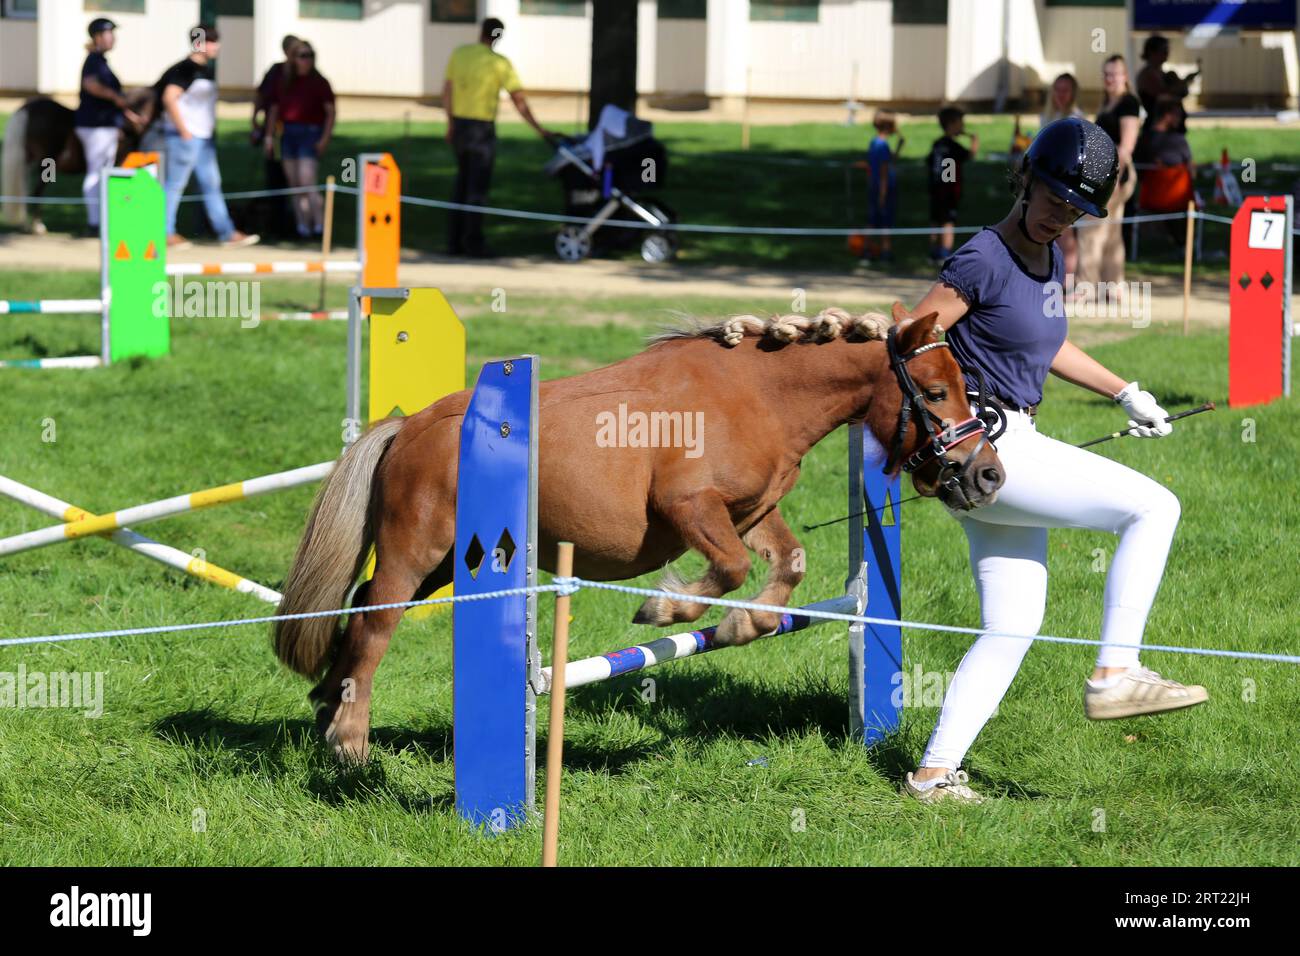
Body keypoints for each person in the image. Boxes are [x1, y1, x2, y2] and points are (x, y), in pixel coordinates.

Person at [896, 116, 1205, 804]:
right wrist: (942, 431)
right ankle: (1115, 673)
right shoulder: (981, 257)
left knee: (1013, 624)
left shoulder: (1052, 255)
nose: (1060, 217)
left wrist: (1126, 392)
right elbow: (910, 341)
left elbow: (1042, 346)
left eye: (1076, 211)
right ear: (1025, 177)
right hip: (987, 450)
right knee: (1156, 507)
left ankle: (933, 776)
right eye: (1053, 200)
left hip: (1004, 453)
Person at [443, 17, 553, 257]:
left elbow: (448, 90)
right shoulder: (500, 64)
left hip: (461, 127)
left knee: (462, 183)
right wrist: (538, 128)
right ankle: (473, 242)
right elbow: (519, 99)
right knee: (476, 187)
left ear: (480, 31)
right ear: (498, 37)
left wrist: (450, 124)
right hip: (481, 130)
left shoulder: (460, 54)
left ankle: (454, 242)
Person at [153, 24, 258, 249]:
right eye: (212, 41)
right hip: (186, 138)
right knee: (174, 185)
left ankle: (226, 232)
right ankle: (164, 232)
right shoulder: (184, 69)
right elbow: (169, 98)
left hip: (204, 140)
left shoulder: (206, 70)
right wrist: (184, 131)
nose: (217, 46)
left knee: (212, 184)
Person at [1076, 55, 1138, 306]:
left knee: (1091, 231)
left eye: (1115, 74)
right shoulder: (1107, 104)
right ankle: (1113, 287)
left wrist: (1109, 181)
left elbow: (1126, 148)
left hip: (1115, 177)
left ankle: (1086, 287)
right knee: (1111, 232)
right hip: (1105, 174)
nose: (1110, 79)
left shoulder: (1128, 104)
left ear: (1125, 76)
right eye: (1107, 74)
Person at [73, 18, 144, 237]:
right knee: (97, 173)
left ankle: (101, 220)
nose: (112, 37)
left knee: (103, 171)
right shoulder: (94, 60)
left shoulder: (101, 61)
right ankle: (94, 223)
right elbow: (91, 85)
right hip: (96, 126)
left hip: (105, 125)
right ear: (97, 37)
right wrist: (115, 97)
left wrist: (127, 114)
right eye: (108, 33)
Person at [264, 39, 335, 239]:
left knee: (307, 182)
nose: (307, 60)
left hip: (310, 133)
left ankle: (320, 226)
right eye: (303, 56)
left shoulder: (320, 82)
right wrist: (269, 137)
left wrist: (324, 139)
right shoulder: (285, 81)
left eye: (310, 55)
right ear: (293, 58)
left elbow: (330, 112)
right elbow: (274, 110)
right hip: (288, 134)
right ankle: (302, 226)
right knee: (295, 184)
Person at [251, 34, 299, 239]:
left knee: (296, 180)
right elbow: (263, 96)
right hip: (276, 132)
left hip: (295, 134)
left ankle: (295, 222)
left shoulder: (304, 72)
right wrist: (254, 120)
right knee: (274, 176)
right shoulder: (276, 71)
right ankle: (276, 221)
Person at [1039, 73, 1083, 276]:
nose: (1060, 95)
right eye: (1057, 90)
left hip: (1066, 181)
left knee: (1065, 231)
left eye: (1065, 90)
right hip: (1048, 179)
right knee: (1047, 230)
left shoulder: (1076, 117)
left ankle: (1068, 279)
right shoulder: (1047, 116)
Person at [926, 106, 978, 263]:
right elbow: (971, 155)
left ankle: (933, 251)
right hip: (948, 190)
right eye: (960, 123)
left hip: (935, 188)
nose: (963, 127)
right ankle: (945, 252)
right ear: (952, 124)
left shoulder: (937, 144)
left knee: (935, 220)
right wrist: (974, 141)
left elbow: (929, 163)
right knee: (948, 222)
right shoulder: (953, 146)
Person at [858, 109, 903, 265]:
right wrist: (883, 192)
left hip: (874, 186)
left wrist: (899, 145)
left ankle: (866, 251)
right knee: (885, 221)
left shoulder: (875, 143)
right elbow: (884, 169)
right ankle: (885, 251)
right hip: (884, 188)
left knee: (872, 220)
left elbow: (890, 160)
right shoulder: (882, 146)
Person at [1137, 35, 1200, 135]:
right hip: (1158, 127)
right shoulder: (1147, 74)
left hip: (1170, 127)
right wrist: (1183, 83)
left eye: (1167, 50)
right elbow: (1164, 95)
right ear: (1151, 52)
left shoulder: (1163, 73)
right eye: (1163, 50)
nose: (1167, 53)